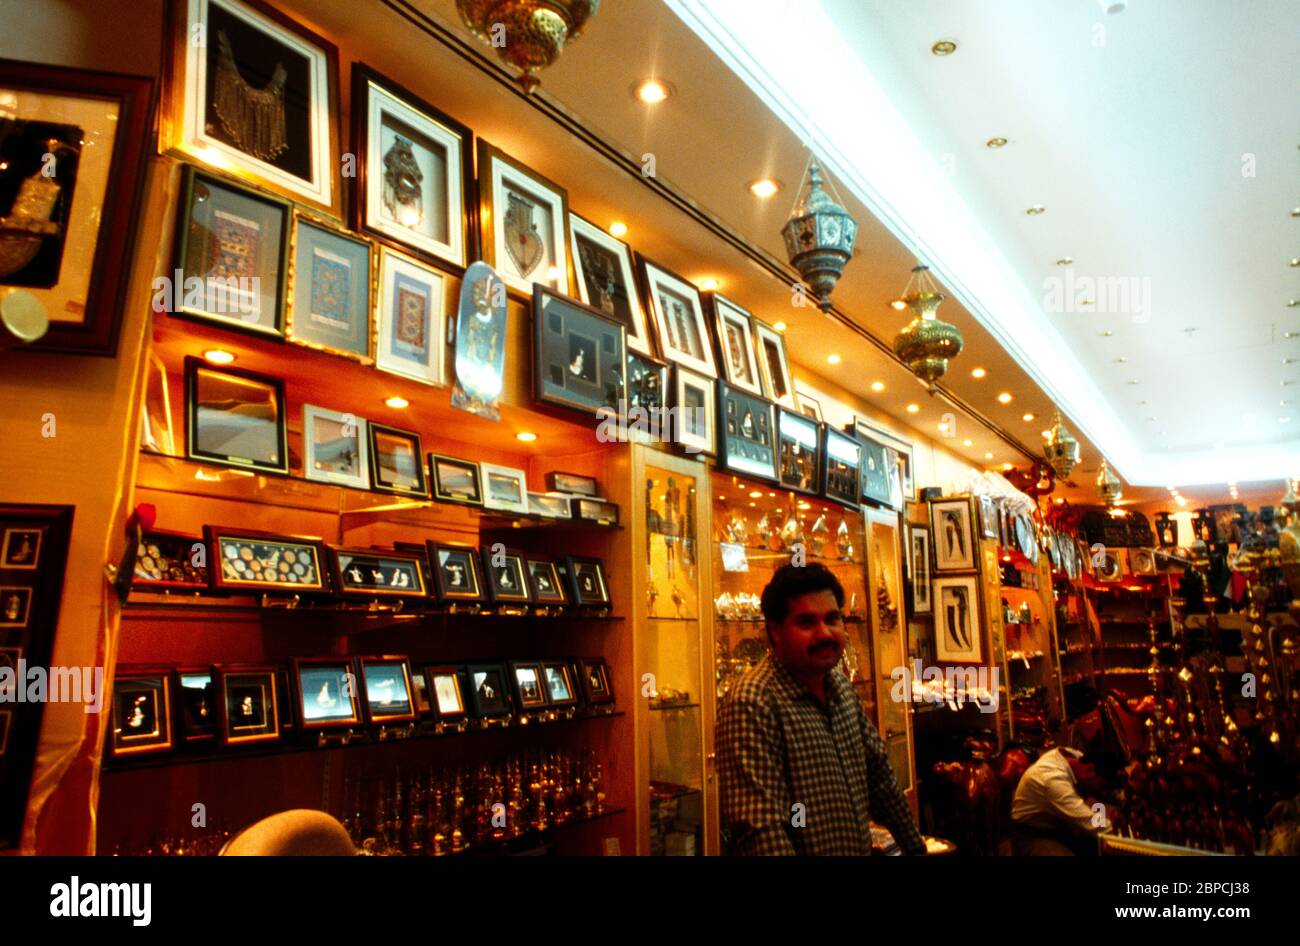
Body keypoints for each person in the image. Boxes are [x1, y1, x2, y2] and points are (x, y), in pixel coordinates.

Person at [717, 563, 925, 855]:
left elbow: (881, 780)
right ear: (776, 631)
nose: (825, 633)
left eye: (832, 619)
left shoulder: (839, 686)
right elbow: (762, 828)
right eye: (806, 622)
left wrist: (915, 848)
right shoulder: (752, 702)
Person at [1010, 746, 1121, 855]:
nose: (1099, 790)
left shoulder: (1075, 757)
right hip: (1032, 835)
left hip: (1060, 828)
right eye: (1101, 785)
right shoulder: (1052, 780)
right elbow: (1090, 822)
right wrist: (1123, 837)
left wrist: (1112, 813)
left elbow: (1095, 801)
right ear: (1090, 770)